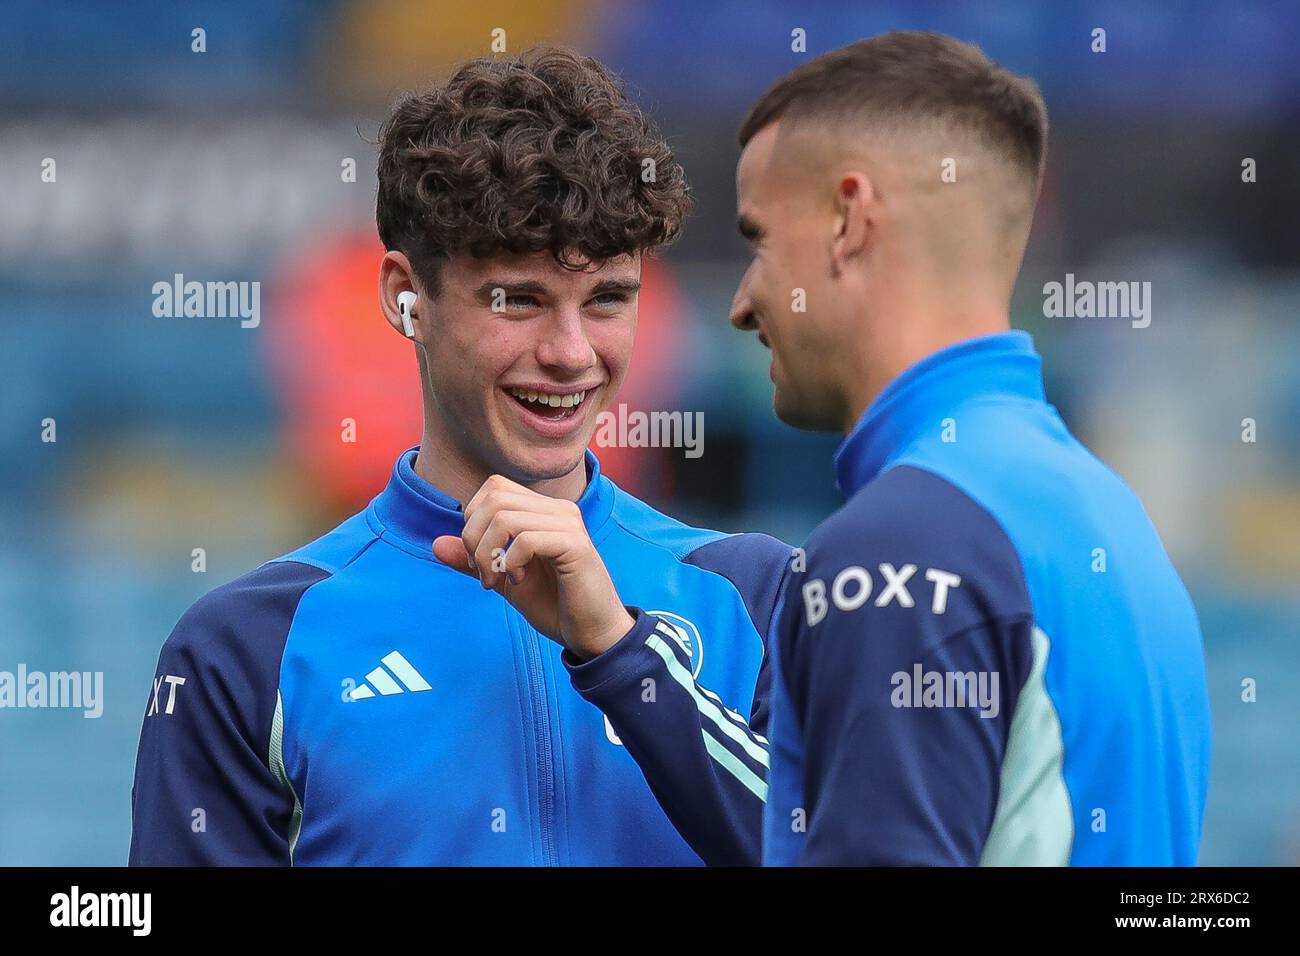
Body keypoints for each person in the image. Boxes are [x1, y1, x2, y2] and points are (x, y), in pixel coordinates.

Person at [128, 47, 788, 866]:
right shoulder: (244, 646)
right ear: (406, 297)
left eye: (608, 299)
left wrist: (620, 653)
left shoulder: (759, 597)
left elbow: (843, 849)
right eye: (520, 300)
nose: (571, 353)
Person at [726, 31, 1211, 865]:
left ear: (849, 220)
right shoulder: (1107, 512)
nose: (741, 302)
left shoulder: (901, 545)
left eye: (758, 240)